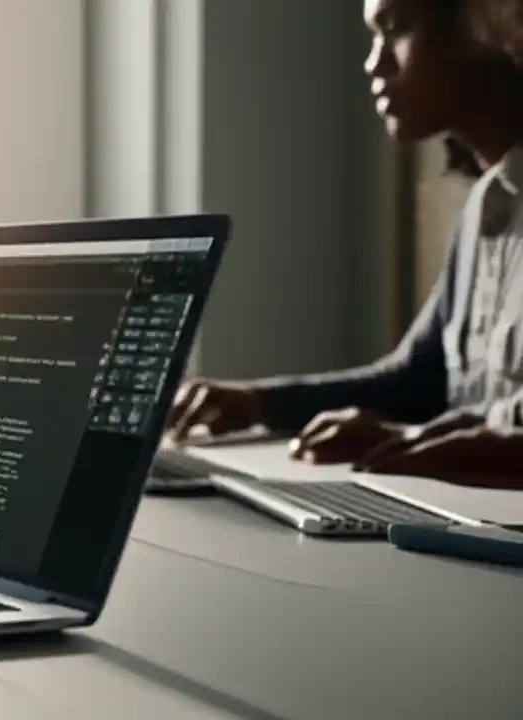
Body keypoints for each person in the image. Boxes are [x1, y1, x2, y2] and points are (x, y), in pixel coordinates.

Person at [169, 0, 523, 490]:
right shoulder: (486, 207)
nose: (374, 62)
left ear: (494, 20)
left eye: (396, 28)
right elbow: (416, 381)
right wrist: (258, 403)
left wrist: (411, 437)